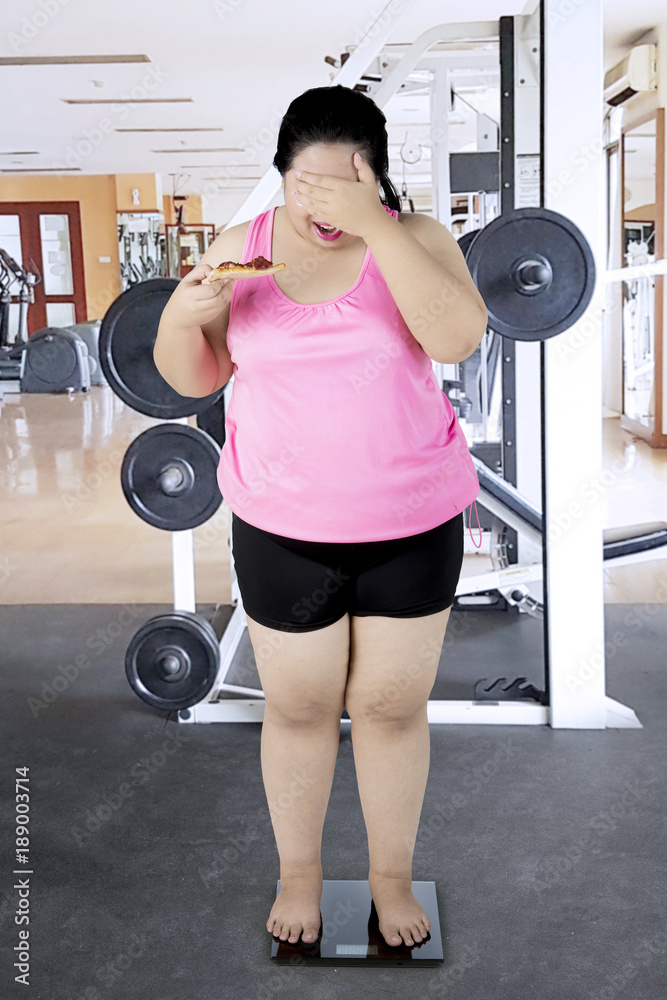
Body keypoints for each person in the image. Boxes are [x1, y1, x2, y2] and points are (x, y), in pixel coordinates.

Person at [155, 85, 487, 951]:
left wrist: (377, 225)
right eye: (307, 184)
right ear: (282, 178)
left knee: (387, 708)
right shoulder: (242, 251)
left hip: (410, 523)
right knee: (299, 708)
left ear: (375, 178)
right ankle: (298, 875)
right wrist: (186, 314)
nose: (323, 204)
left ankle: (389, 878)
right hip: (283, 526)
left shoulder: (415, 239)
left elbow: (456, 338)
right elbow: (193, 378)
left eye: (346, 184)